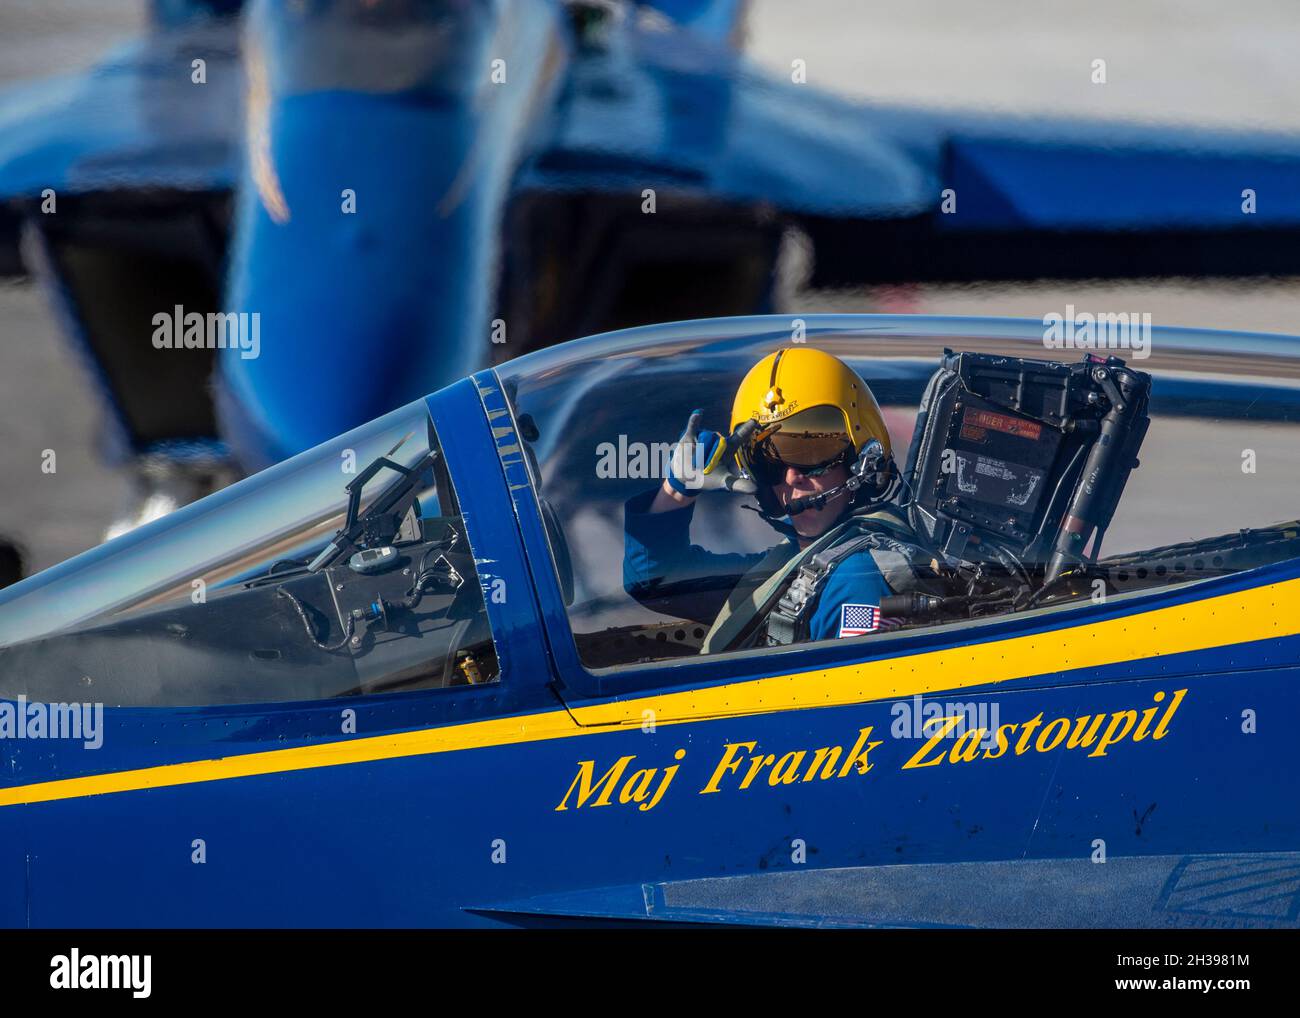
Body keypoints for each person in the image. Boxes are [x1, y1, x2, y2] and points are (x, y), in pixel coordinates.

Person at [623, 346, 944, 652]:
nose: (792, 477)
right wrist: (676, 493)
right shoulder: (791, 565)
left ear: (861, 456)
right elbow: (655, 584)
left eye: (811, 452)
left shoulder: (858, 580)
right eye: (768, 460)